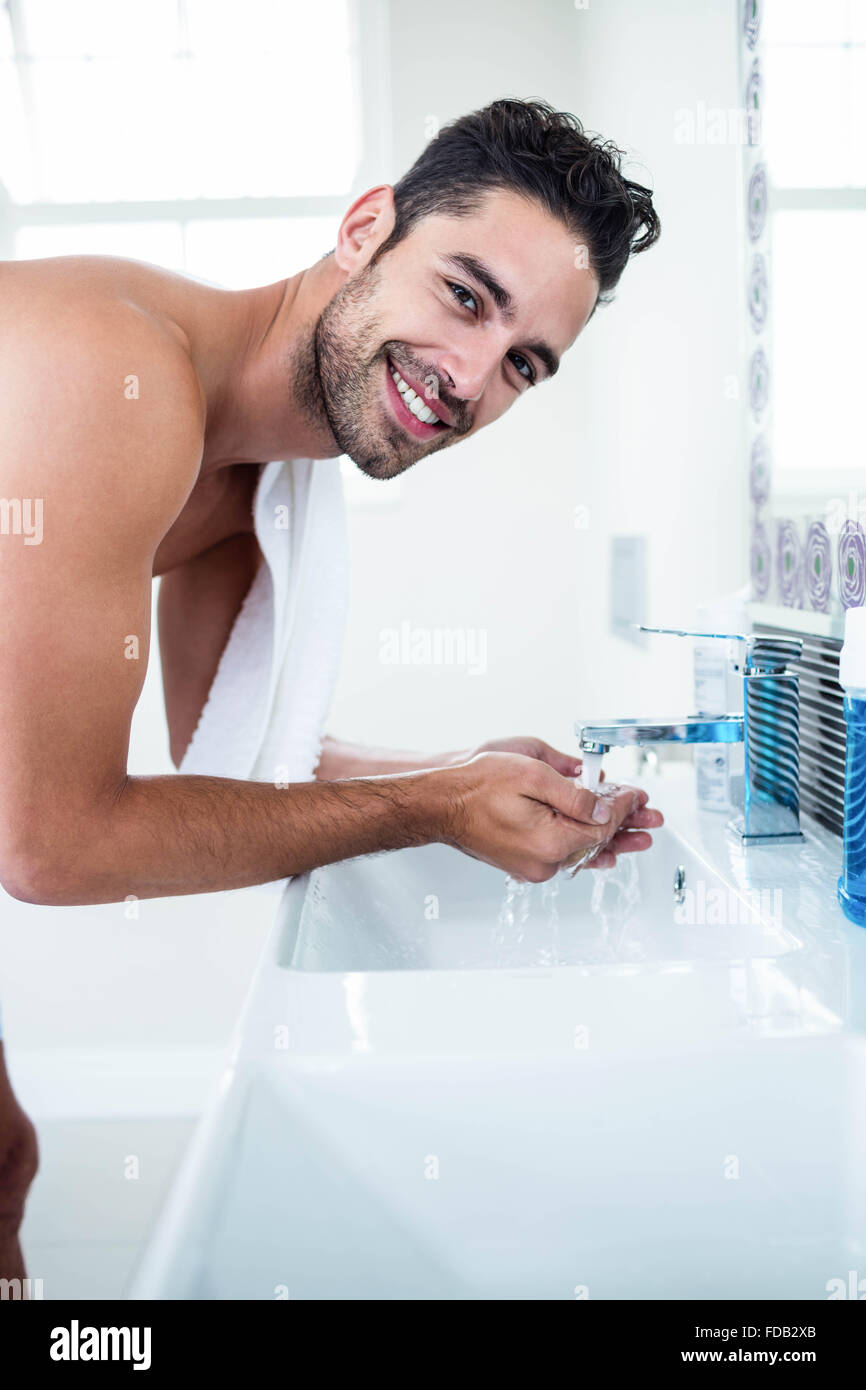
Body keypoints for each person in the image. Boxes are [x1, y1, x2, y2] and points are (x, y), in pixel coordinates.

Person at [0, 99, 663, 1280]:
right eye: (465, 295)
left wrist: (460, 775)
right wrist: (430, 806)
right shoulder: (117, 374)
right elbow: (55, 843)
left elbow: (248, 771)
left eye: (521, 363)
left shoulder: (242, 483)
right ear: (366, 227)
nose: (467, 379)